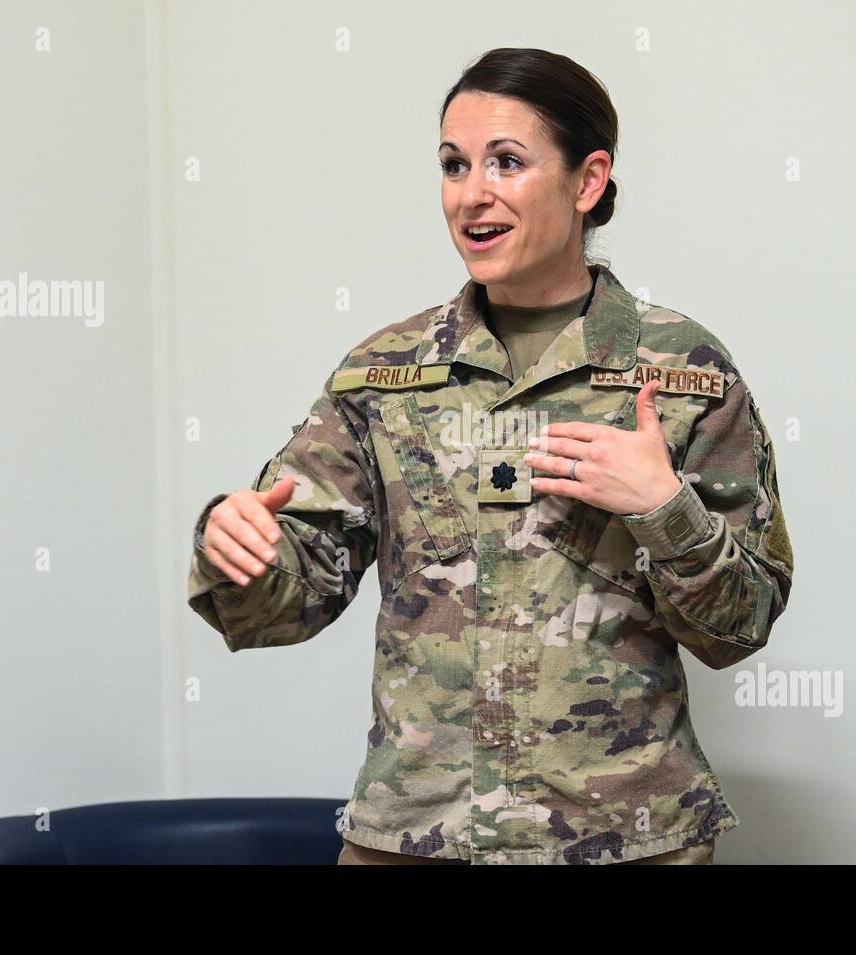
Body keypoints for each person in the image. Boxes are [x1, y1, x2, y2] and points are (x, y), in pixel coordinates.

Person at [187, 48, 794, 865]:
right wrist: (239, 550)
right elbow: (295, 596)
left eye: (506, 162)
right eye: (453, 164)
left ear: (587, 182)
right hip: (416, 836)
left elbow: (742, 625)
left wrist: (664, 510)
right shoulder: (384, 373)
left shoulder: (682, 373)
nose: (472, 192)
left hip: (624, 839)